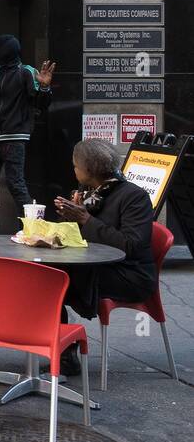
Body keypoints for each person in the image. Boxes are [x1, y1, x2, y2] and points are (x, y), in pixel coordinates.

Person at [52, 139, 156, 375]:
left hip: (130, 274)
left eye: (75, 165)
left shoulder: (134, 197)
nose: (73, 169)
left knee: (52, 282)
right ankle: (61, 347)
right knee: (47, 276)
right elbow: (76, 238)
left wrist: (86, 219)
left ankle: (65, 352)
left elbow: (130, 246)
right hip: (94, 266)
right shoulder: (91, 194)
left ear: (89, 169)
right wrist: (69, 217)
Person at [0, 35, 54, 233]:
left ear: (5, 51)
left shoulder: (26, 72)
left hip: (15, 138)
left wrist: (44, 86)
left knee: (15, 184)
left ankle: (30, 230)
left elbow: (40, 104)